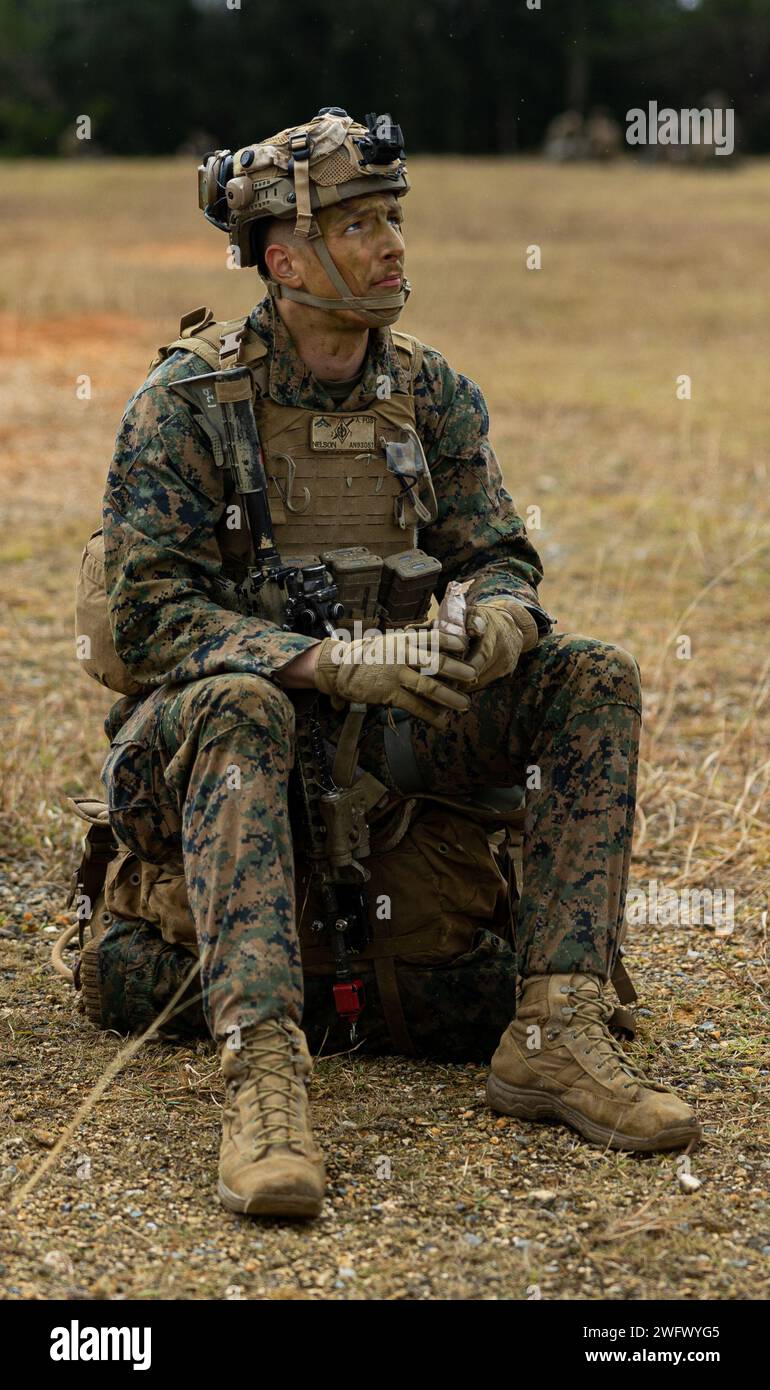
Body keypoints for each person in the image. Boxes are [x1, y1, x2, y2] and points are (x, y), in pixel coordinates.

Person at [86, 109, 699, 1221]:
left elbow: (497, 551)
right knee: (237, 702)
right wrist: (320, 661)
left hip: (393, 727)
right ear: (284, 258)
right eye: (359, 222)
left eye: (393, 218)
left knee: (588, 673)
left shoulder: (427, 391)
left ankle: (555, 1030)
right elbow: (145, 617)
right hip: (219, 746)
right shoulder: (185, 406)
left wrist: (504, 614)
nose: (391, 244)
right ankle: (265, 1072)